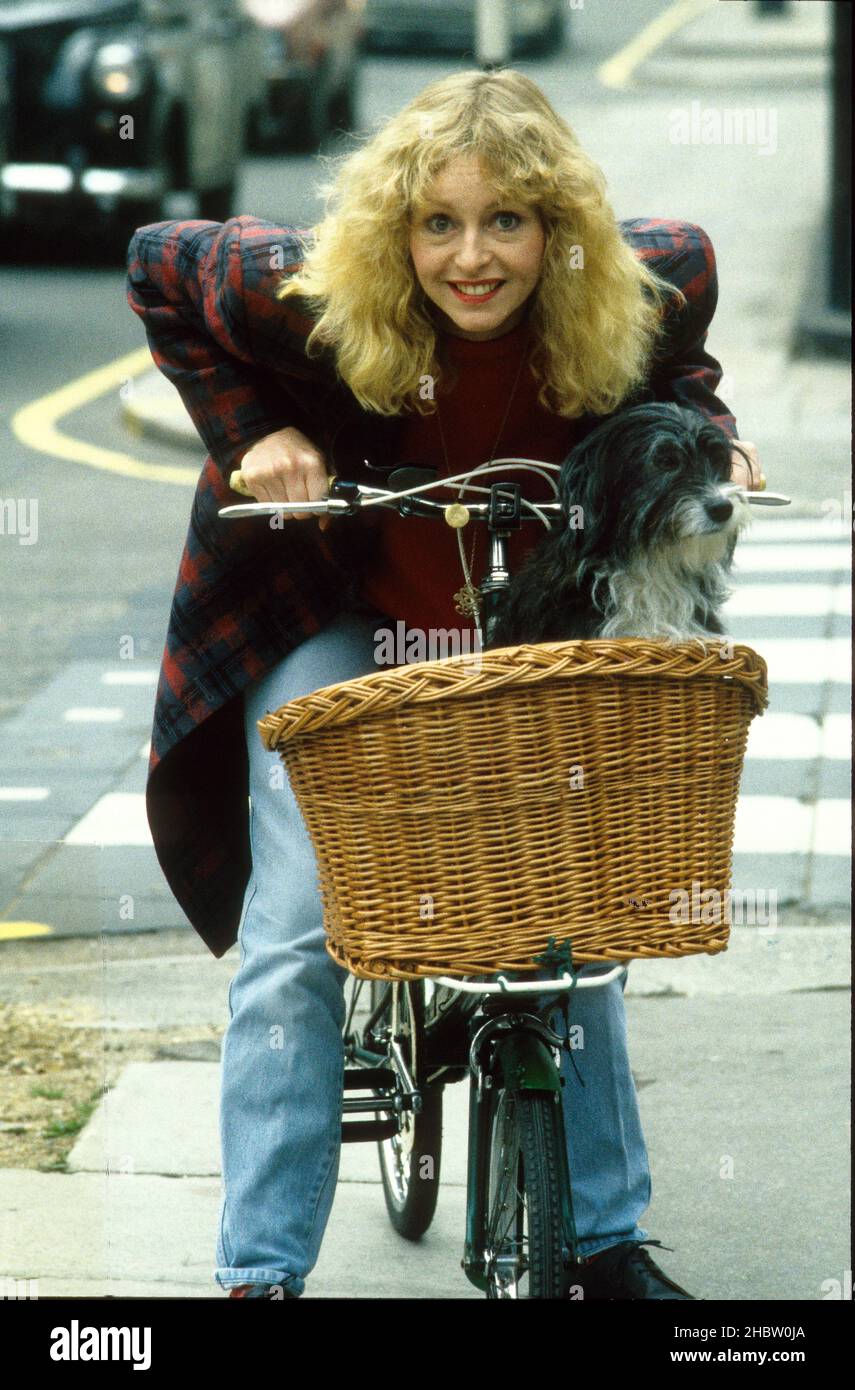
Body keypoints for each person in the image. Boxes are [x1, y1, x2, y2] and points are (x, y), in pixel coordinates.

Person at [126, 68, 762, 1301]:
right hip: (341, 609)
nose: (472, 258)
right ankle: (259, 1274)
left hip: (522, 610)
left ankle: (607, 1241)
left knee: (576, 902)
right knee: (302, 920)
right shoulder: (301, 294)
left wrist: (711, 426)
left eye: (508, 222)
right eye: (438, 224)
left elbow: (675, 369)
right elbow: (158, 257)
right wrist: (250, 430)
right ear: (395, 231)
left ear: (558, 232)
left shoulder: (655, 275)